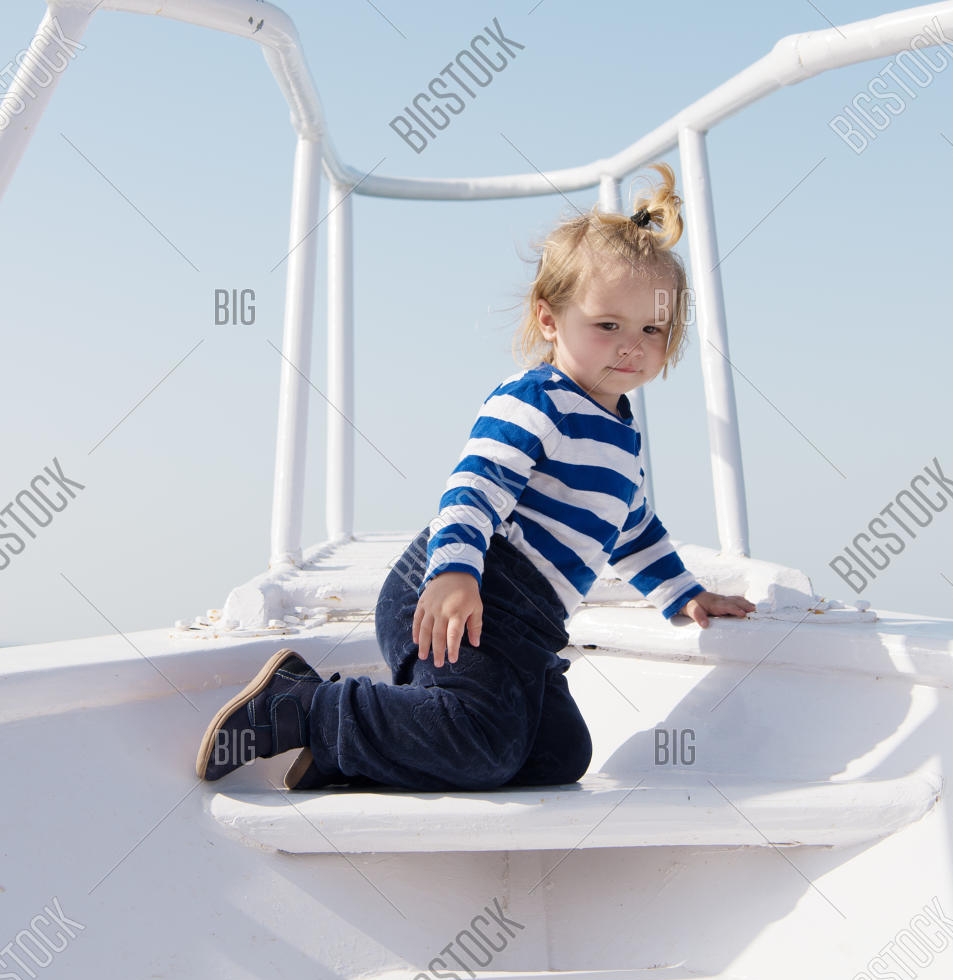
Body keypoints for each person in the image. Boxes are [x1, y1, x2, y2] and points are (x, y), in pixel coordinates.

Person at [195, 163, 754, 792]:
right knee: (482, 746)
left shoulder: (620, 434)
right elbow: (474, 488)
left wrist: (684, 594)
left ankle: (353, 754)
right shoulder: (537, 401)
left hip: (531, 630)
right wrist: (455, 573)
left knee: (558, 758)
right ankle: (303, 706)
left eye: (652, 330)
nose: (632, 346)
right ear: (550, 320)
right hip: (468, 592)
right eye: (608, 326)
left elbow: (633, 528)